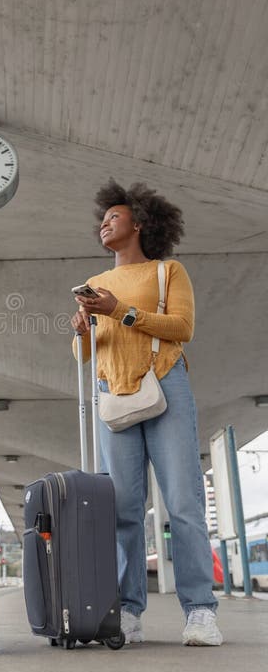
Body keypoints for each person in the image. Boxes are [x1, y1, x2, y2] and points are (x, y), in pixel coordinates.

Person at [70, 179, 222, 647]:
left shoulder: (167, 271)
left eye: (113, 218)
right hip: (111, 391)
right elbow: (82, 356)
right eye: (103, 219)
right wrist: (81, 330)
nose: (104, 224)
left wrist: (122, 311)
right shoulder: (93, 284)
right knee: (124, 509)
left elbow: (183, 327)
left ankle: (200, 611)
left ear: (139, 223)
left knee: (183, 503)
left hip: (165, 383)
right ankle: (128, 612)